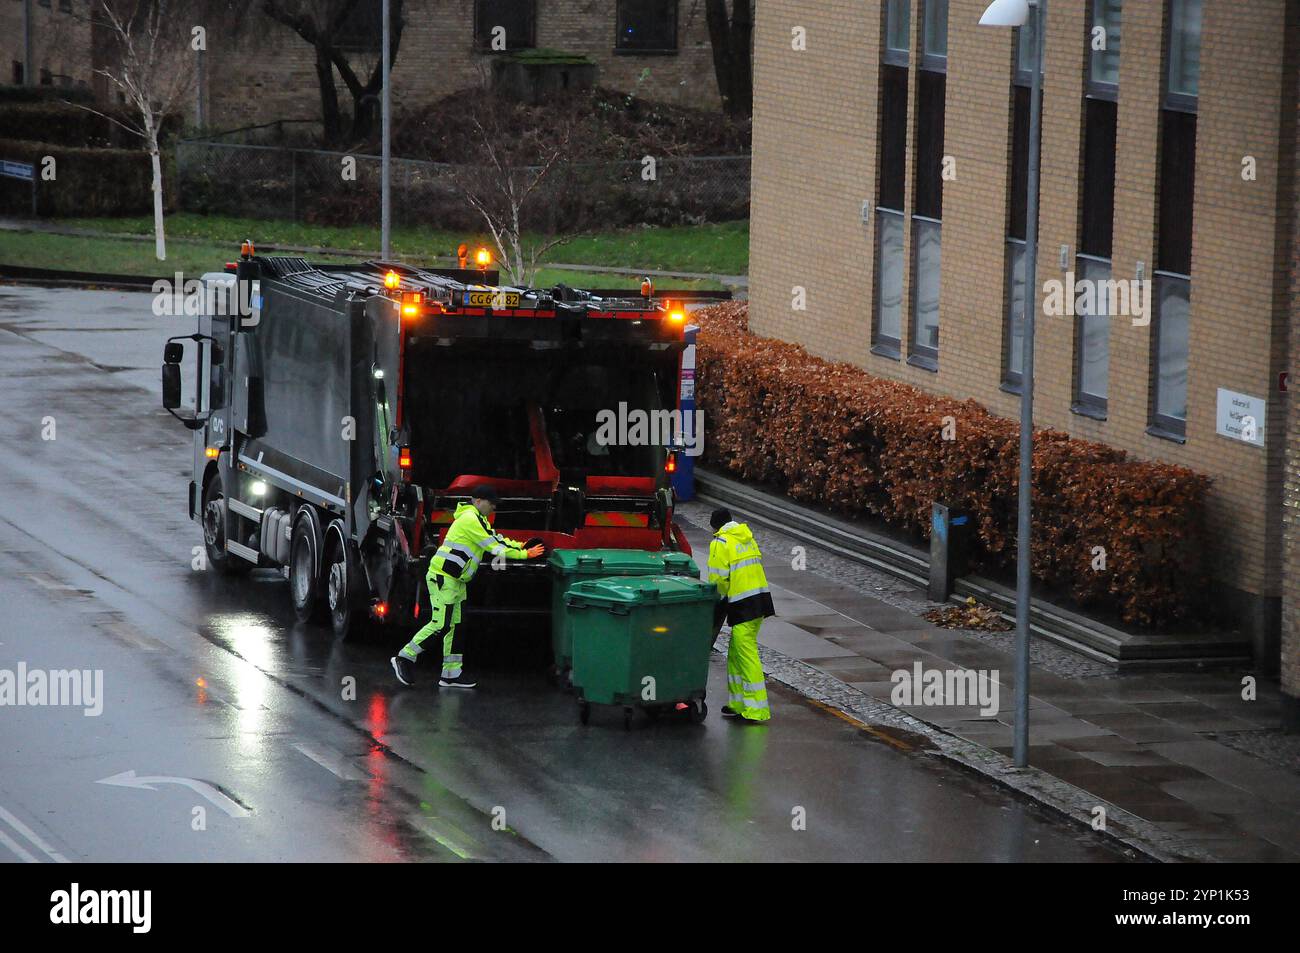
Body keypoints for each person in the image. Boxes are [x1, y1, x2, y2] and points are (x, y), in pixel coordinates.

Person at [391, 486, 544, 688]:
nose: (493, 508)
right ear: (479, 500)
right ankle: (404, 658)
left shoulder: (478, 520)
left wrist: (521, 546)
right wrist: (525, 555)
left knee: (456, 626)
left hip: (456, 581)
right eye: (491, 504)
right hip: (444, 578)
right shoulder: (470, 519)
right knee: (441, 624)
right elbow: (494, 547)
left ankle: (451, 674)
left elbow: (497, 539)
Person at [707, 508, 775, 724]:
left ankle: (757, 710)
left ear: (715, 527)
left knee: (746, 655)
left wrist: (714, 604)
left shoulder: (721, 543)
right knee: (736, 653)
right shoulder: (745, 538)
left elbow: (718, 580)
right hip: (759, 600)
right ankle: (738, 704)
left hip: (743, 604)